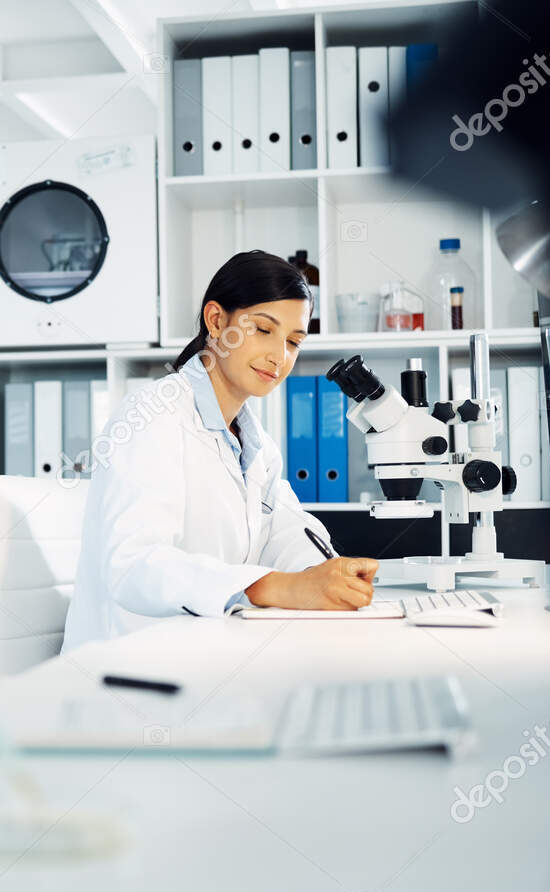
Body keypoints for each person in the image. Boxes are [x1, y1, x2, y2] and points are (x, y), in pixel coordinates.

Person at [62, 251, 379, 650]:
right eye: (264, 330)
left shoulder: (256, 443)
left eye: (293, 342)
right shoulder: (152, 415)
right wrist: (276, 587)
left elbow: (284, 530)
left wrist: (329, 573)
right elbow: (133, 565)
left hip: (207, 653)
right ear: (216, 321)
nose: (279, 357)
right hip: (130, 667)